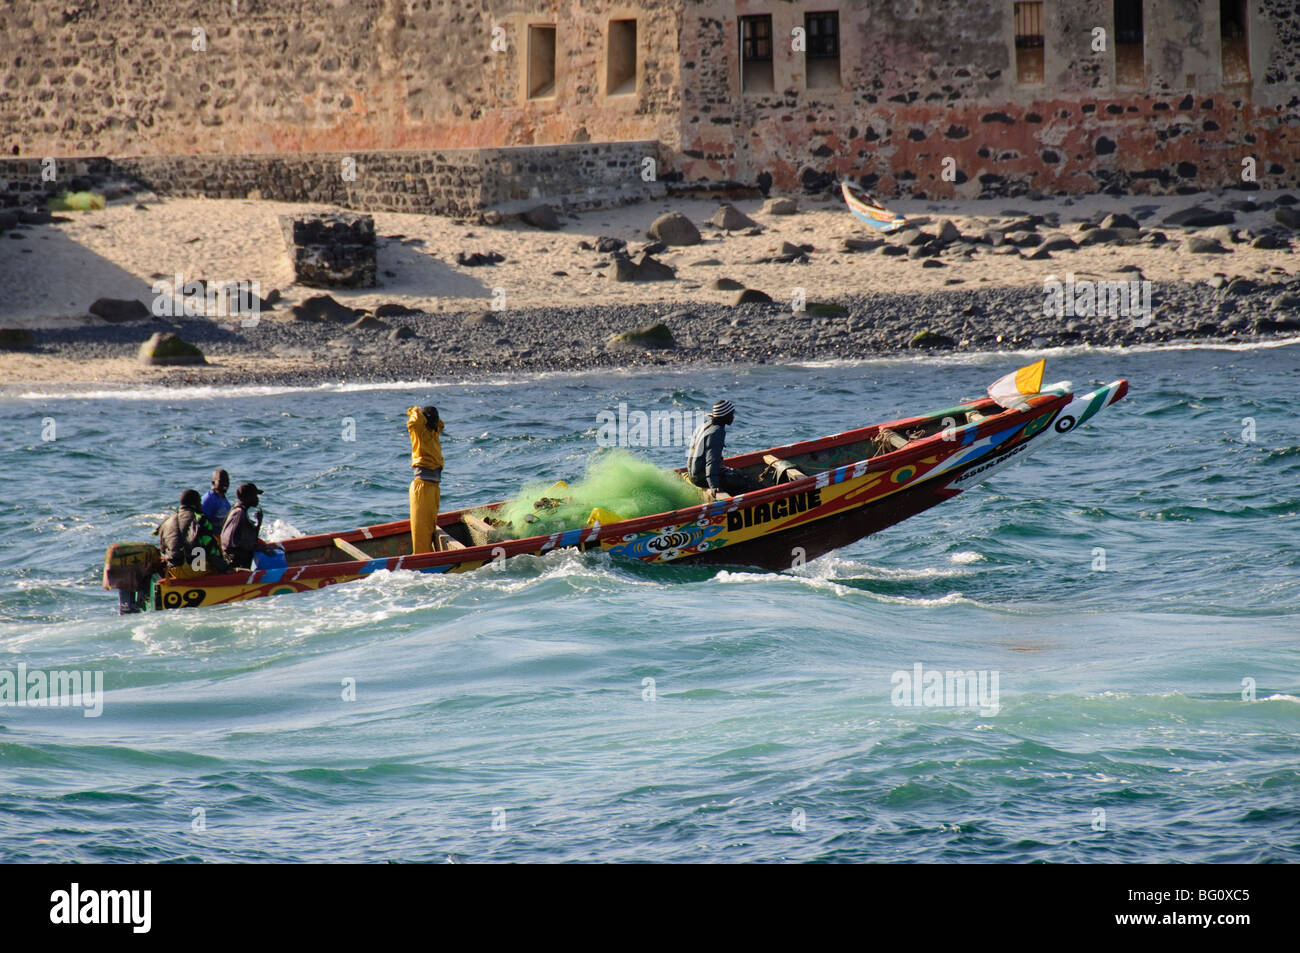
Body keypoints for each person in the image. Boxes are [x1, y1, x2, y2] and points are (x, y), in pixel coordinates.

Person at [686, 399, 758, 498]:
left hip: (693, 475)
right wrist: (713, 485)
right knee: (741, 480)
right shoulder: (716, 432)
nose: (733, 417)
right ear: (724, 416)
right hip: (700, 478)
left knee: (734, 473)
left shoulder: (705, 425)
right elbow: (712, 461)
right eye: (731, 414)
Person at [159, 489, 229, 578]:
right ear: (194, 503)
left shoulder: (167, 521)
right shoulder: (199, 518)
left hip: (174, 570)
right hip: (195, 569)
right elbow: (211, 547)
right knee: (217, 542)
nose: (201, 505)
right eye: (199, 502)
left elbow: (163, 549)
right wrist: (225, 568)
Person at [407, 405, 445, 554]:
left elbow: (441, 424)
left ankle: (430, 558)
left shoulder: (434, 432)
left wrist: (432, 417)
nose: (436, 422)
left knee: (429, 528)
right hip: (421, 486)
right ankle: (421, 562)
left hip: (434, 487)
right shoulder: (419, 432)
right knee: (421, 533)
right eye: (432, 418)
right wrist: (417, 410)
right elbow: (413, 423)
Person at [221, 482, 278, 569]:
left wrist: (259, 523)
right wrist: (260, 548)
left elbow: (247, 538)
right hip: (235, 560)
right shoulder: (239, 514)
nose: (257, 499)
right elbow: (236, 543)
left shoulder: (236, 510)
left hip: (233, 556)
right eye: (255, 496)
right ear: (249, 498)